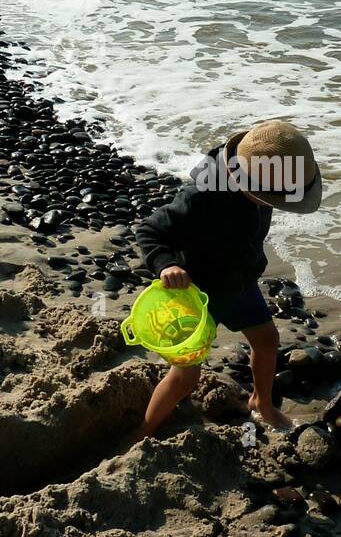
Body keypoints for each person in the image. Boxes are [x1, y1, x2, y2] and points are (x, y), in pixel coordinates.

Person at [134, 120, 323, 437]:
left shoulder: (264, 179)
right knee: (185, 376)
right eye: (274, 198)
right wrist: (166, 265)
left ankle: (261, 402)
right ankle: (145, 431)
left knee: (267, 343)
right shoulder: (199, 199)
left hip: (240, 283)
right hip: (195, 295)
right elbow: (149, 231)